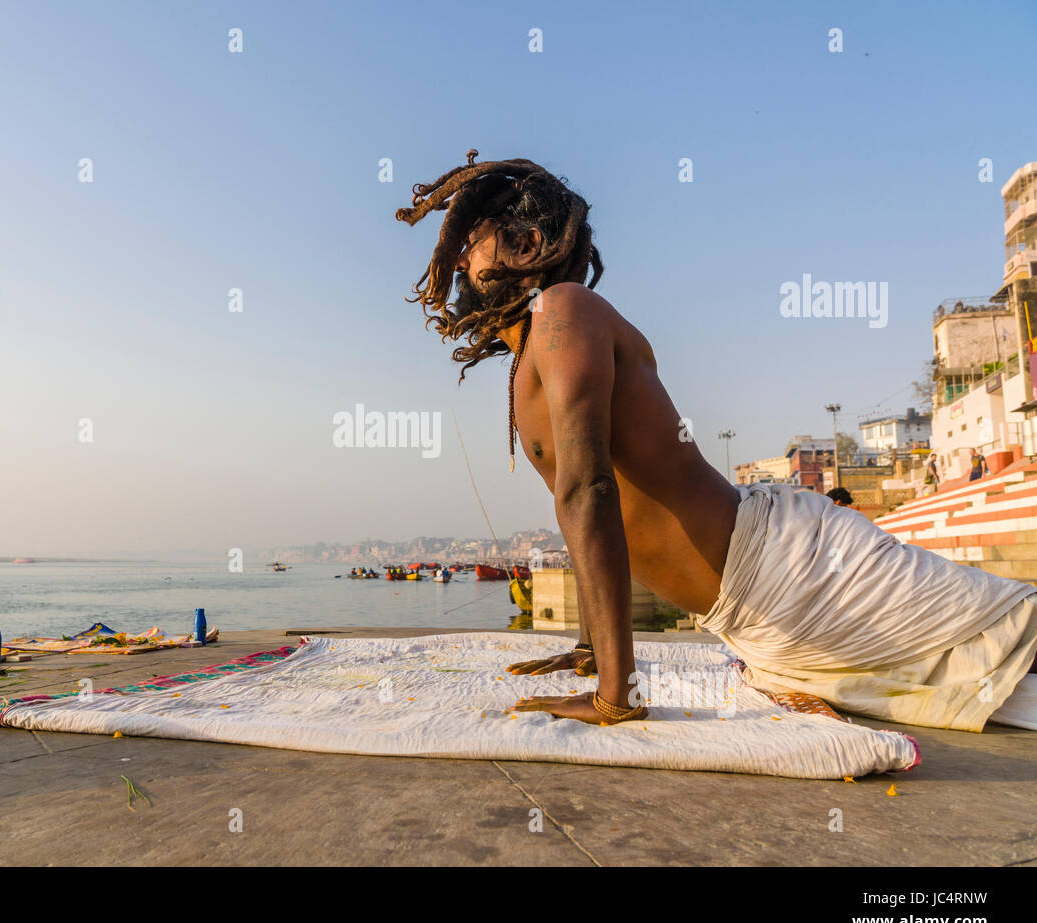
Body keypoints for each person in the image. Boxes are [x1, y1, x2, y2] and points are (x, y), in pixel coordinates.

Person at [396, 150, 1037, 732]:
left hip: (795, 565)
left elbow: (588, 489)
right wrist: (592, 649)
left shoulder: (564, 310)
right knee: (992, 689)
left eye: (469, 241)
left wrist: (615, 692)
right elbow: (594, 505)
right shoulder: (531, 349)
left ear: (526, 241)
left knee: (1012, 633)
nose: (456, 259)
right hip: (753, 623)